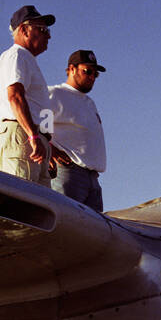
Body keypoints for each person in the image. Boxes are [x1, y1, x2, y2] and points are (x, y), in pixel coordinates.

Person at [0, 5, 56, 184]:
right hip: (23, 135)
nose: (48, 35)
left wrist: (46, 144)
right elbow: (15, 96)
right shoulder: (16, 56)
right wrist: (33, 136)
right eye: (42, 29)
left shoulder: (26, 59)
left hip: (32, 138)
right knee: (23, 205)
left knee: (39, 207)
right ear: (23, 30)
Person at [48, 50, 108, 212]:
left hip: (93, 178)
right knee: (65, 225)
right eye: (87, 71)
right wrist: (50, 149)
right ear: (71, 69)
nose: (92, 77)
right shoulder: (54, 94)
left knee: (93, 233)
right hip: (68, 172)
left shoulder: (90, 103)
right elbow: (38, 124)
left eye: (96, 74)